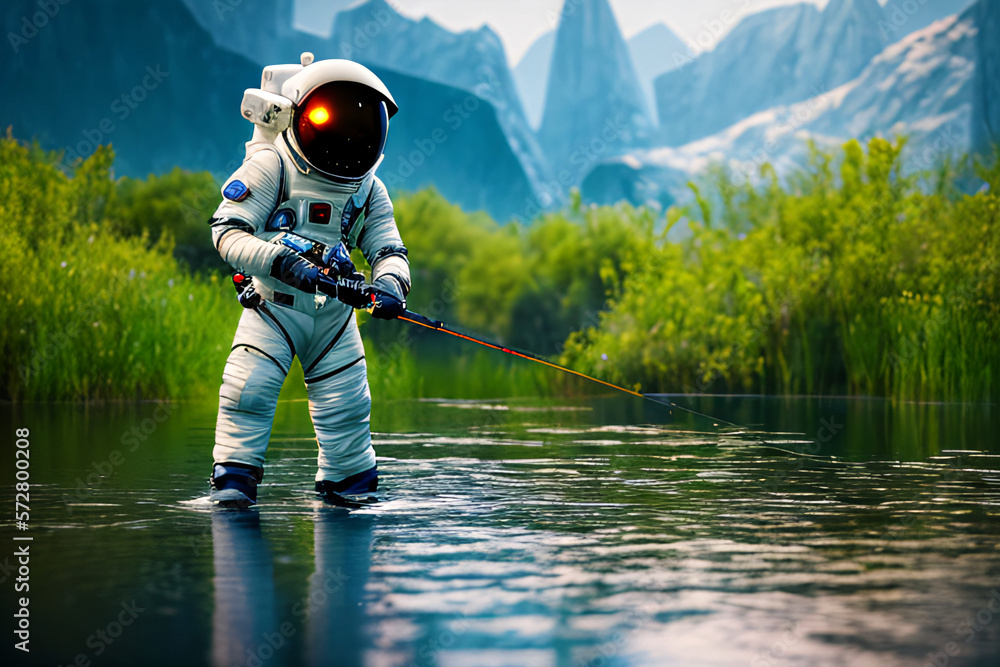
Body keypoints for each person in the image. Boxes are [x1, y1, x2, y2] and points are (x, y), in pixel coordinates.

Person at [207, 53, 410, 508]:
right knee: (248, 394)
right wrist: (282, 262)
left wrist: (390, 289)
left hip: (335, 317)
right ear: (297, 116)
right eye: (333, 119)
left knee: (349, 410)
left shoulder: (366, 189)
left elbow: (389, 250)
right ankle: (234, 486)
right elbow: (226, 231)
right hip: (274, 304)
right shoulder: (272, 166)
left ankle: (349, 487)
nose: (349, 134)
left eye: (361, 123)